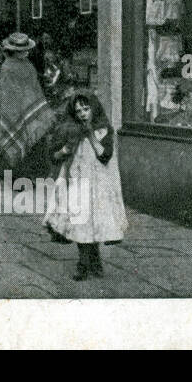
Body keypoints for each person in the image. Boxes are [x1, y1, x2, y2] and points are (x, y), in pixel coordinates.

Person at [43, 91, 128, 280]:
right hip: (76, 181)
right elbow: (55, 155)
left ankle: (93, 260)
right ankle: (84, 263)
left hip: (98, 183)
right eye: (78, 110)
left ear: (94, 108)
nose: (82, 113)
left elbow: (104, 155)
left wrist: (90, 134)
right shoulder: (70, 129)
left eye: (86, 108)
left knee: (94, 221)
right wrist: (65, 148)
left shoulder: (103, 129)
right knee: (80, 221)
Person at [0, 32, 57, 180]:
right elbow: (7, 90)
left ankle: (22, 176)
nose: (26, 52)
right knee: (29, 139)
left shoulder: (24, 65)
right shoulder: (8, 67)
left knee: (28, 139)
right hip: (19, 107)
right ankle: (22, 176)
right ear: (14, 51)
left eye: (26, 49)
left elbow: (33, 86)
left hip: (27, 105)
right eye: (22, 50)